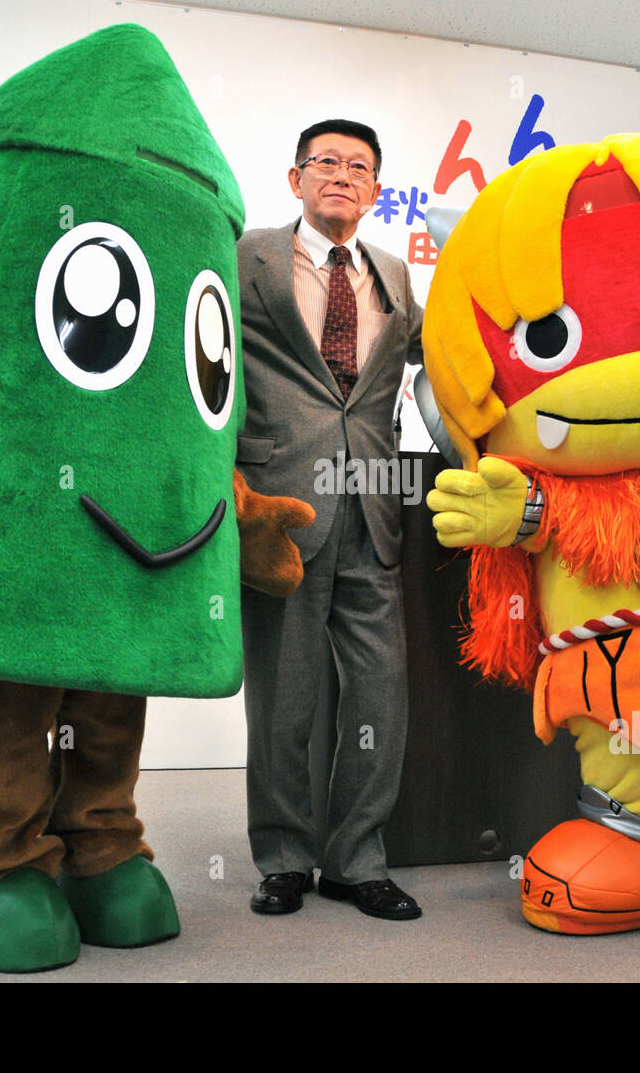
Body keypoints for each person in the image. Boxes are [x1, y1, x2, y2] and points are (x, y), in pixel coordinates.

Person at [234, 119, 423, 920]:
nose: (342, 175)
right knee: (285, 697)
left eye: (359, 167)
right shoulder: (249, 256)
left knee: (382, 693)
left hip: (374, 506)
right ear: (295, 178)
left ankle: (356, 859)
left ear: (375, 190)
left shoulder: (393, 274)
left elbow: (418, 368)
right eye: (326, 163)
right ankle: (283, 859)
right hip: (283, 498)